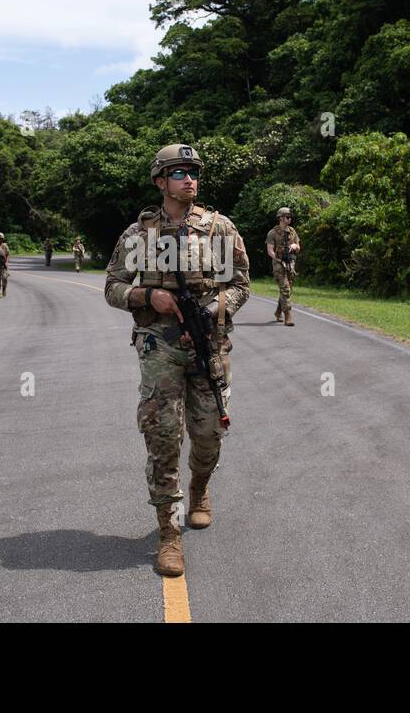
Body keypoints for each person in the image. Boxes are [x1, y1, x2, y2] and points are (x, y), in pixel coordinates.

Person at [104, 144, 250, 577]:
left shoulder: (219, 229)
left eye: (194, 172)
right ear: (159, 181)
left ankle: (200, 488)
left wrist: (213, 309)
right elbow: (113, 286)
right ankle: (168, 532)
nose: (190, 178)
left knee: (208, 434)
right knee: (164, 436)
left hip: (208, 344)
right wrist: (150, 296)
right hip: (159, 345)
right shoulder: (139, 235)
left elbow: (241, 284)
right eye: (180, 172)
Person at [265, 207, 301, 326]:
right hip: (279, 264)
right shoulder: (272, 233)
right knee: (285, 289)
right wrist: (279, 259)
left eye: (290, 217)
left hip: (290, 263)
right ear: (280, 218)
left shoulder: (292, 231)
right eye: (287, 216)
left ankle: (278, 311)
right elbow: (270, 251)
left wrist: (294, 246)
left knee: (287, 289)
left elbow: (298, 247)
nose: (289, 219)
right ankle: (288, 315)